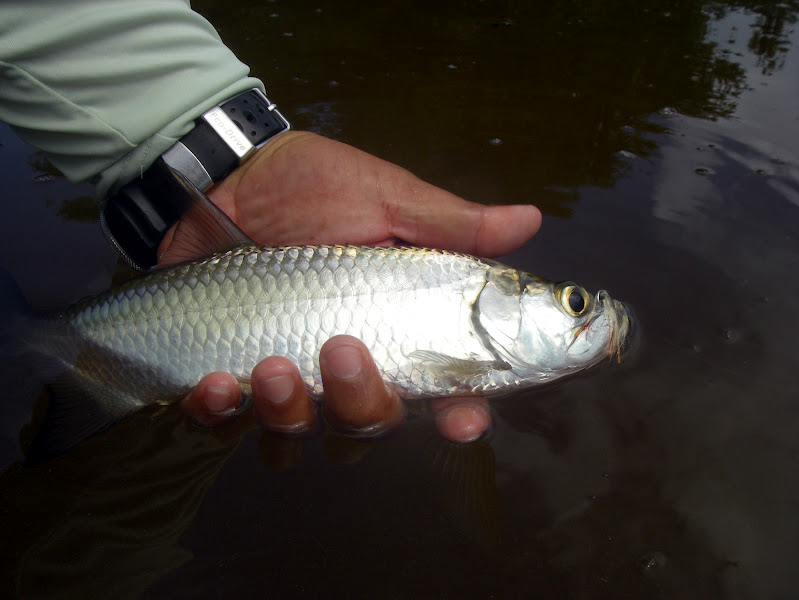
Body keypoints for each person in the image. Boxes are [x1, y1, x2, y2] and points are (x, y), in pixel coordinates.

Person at [0, 1, 541, 444]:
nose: (583, 312)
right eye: (574, 304)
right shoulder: (466, 279)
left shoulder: (465, 283)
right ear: (504, 294)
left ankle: (60, 359)